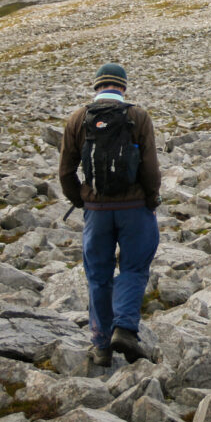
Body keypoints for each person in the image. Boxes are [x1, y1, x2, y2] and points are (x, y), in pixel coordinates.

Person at [59, 63, 161, 366]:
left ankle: (101, 344)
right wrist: (151, 198)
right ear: (123, 87)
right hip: (134, 210)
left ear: (97, 86)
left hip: (96, 211)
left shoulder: (77, 119)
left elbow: (66, 171)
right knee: (134, 267)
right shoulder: (138, 116)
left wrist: (81, 200)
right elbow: (150, 168)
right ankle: (125, 329)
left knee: (98, 276)